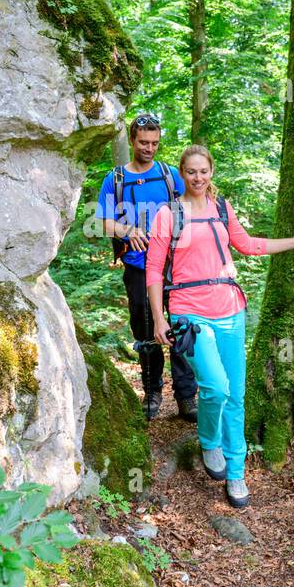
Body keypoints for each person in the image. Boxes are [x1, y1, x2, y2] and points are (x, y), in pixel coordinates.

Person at [145, 145, 294, 509]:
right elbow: (154, 270)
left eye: (204, 171)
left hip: (231, 310)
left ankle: (236, 473)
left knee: (235, 396)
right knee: (215, 387)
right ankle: (209, 441)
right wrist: (159, 317)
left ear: (211, 172)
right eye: (191, 172)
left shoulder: (222, 208)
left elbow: (248, 245)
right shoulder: (167, 215)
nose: (198, 178)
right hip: (188, 312)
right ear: (182, 175)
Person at [95, 114, 198, 421]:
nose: (150, 148)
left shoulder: (169, 175)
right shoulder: (115, 179)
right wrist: (128, 231)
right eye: (143, 143)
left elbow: (192, 205)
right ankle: (152, 392)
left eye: (154, 143)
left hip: (174, 266)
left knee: (182, 327)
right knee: (145, 330)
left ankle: (185, 396)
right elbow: (101, 221)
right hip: (138, 267)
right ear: (132, 140)